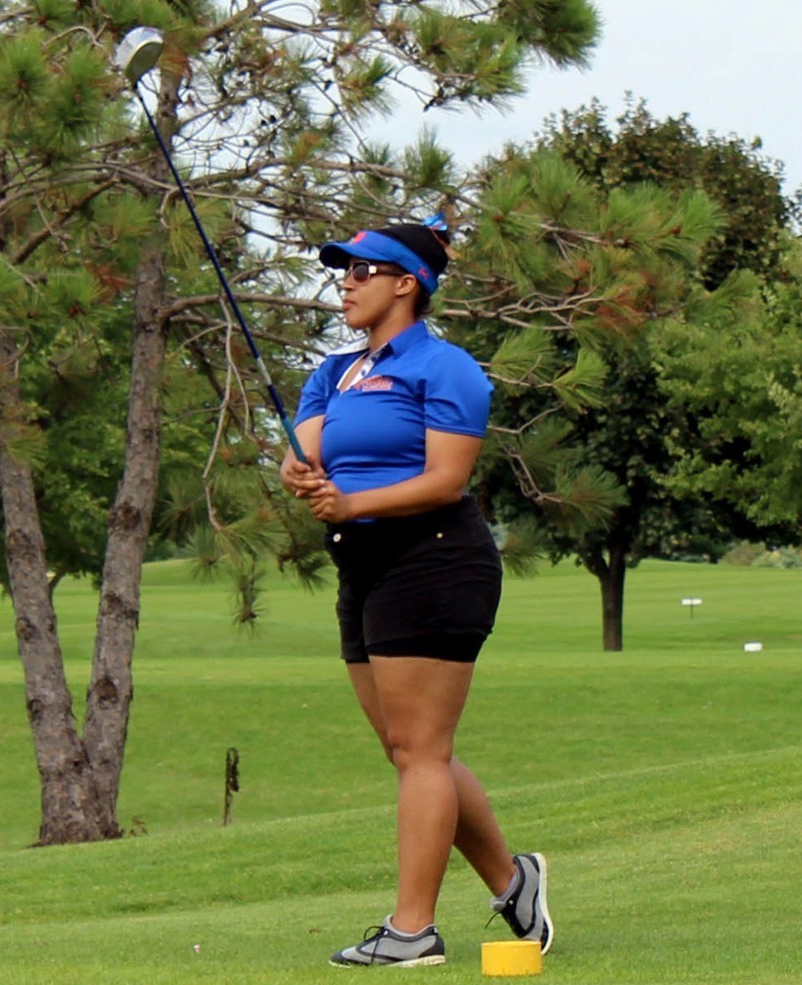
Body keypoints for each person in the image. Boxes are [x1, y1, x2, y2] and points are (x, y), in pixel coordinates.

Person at [280, 221, 552, 968]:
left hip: (435, 558)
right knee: (409, 750)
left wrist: (353, 504)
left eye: (364, 270)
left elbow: (447, 479)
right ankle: (511, 879)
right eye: (344, 271)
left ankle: (413, 931)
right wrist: (301, 476)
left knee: (421, 749)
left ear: (408, 284)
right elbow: (302, 454)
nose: (347, 281)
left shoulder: (445, 367)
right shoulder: (332, 371)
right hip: (360, 564)